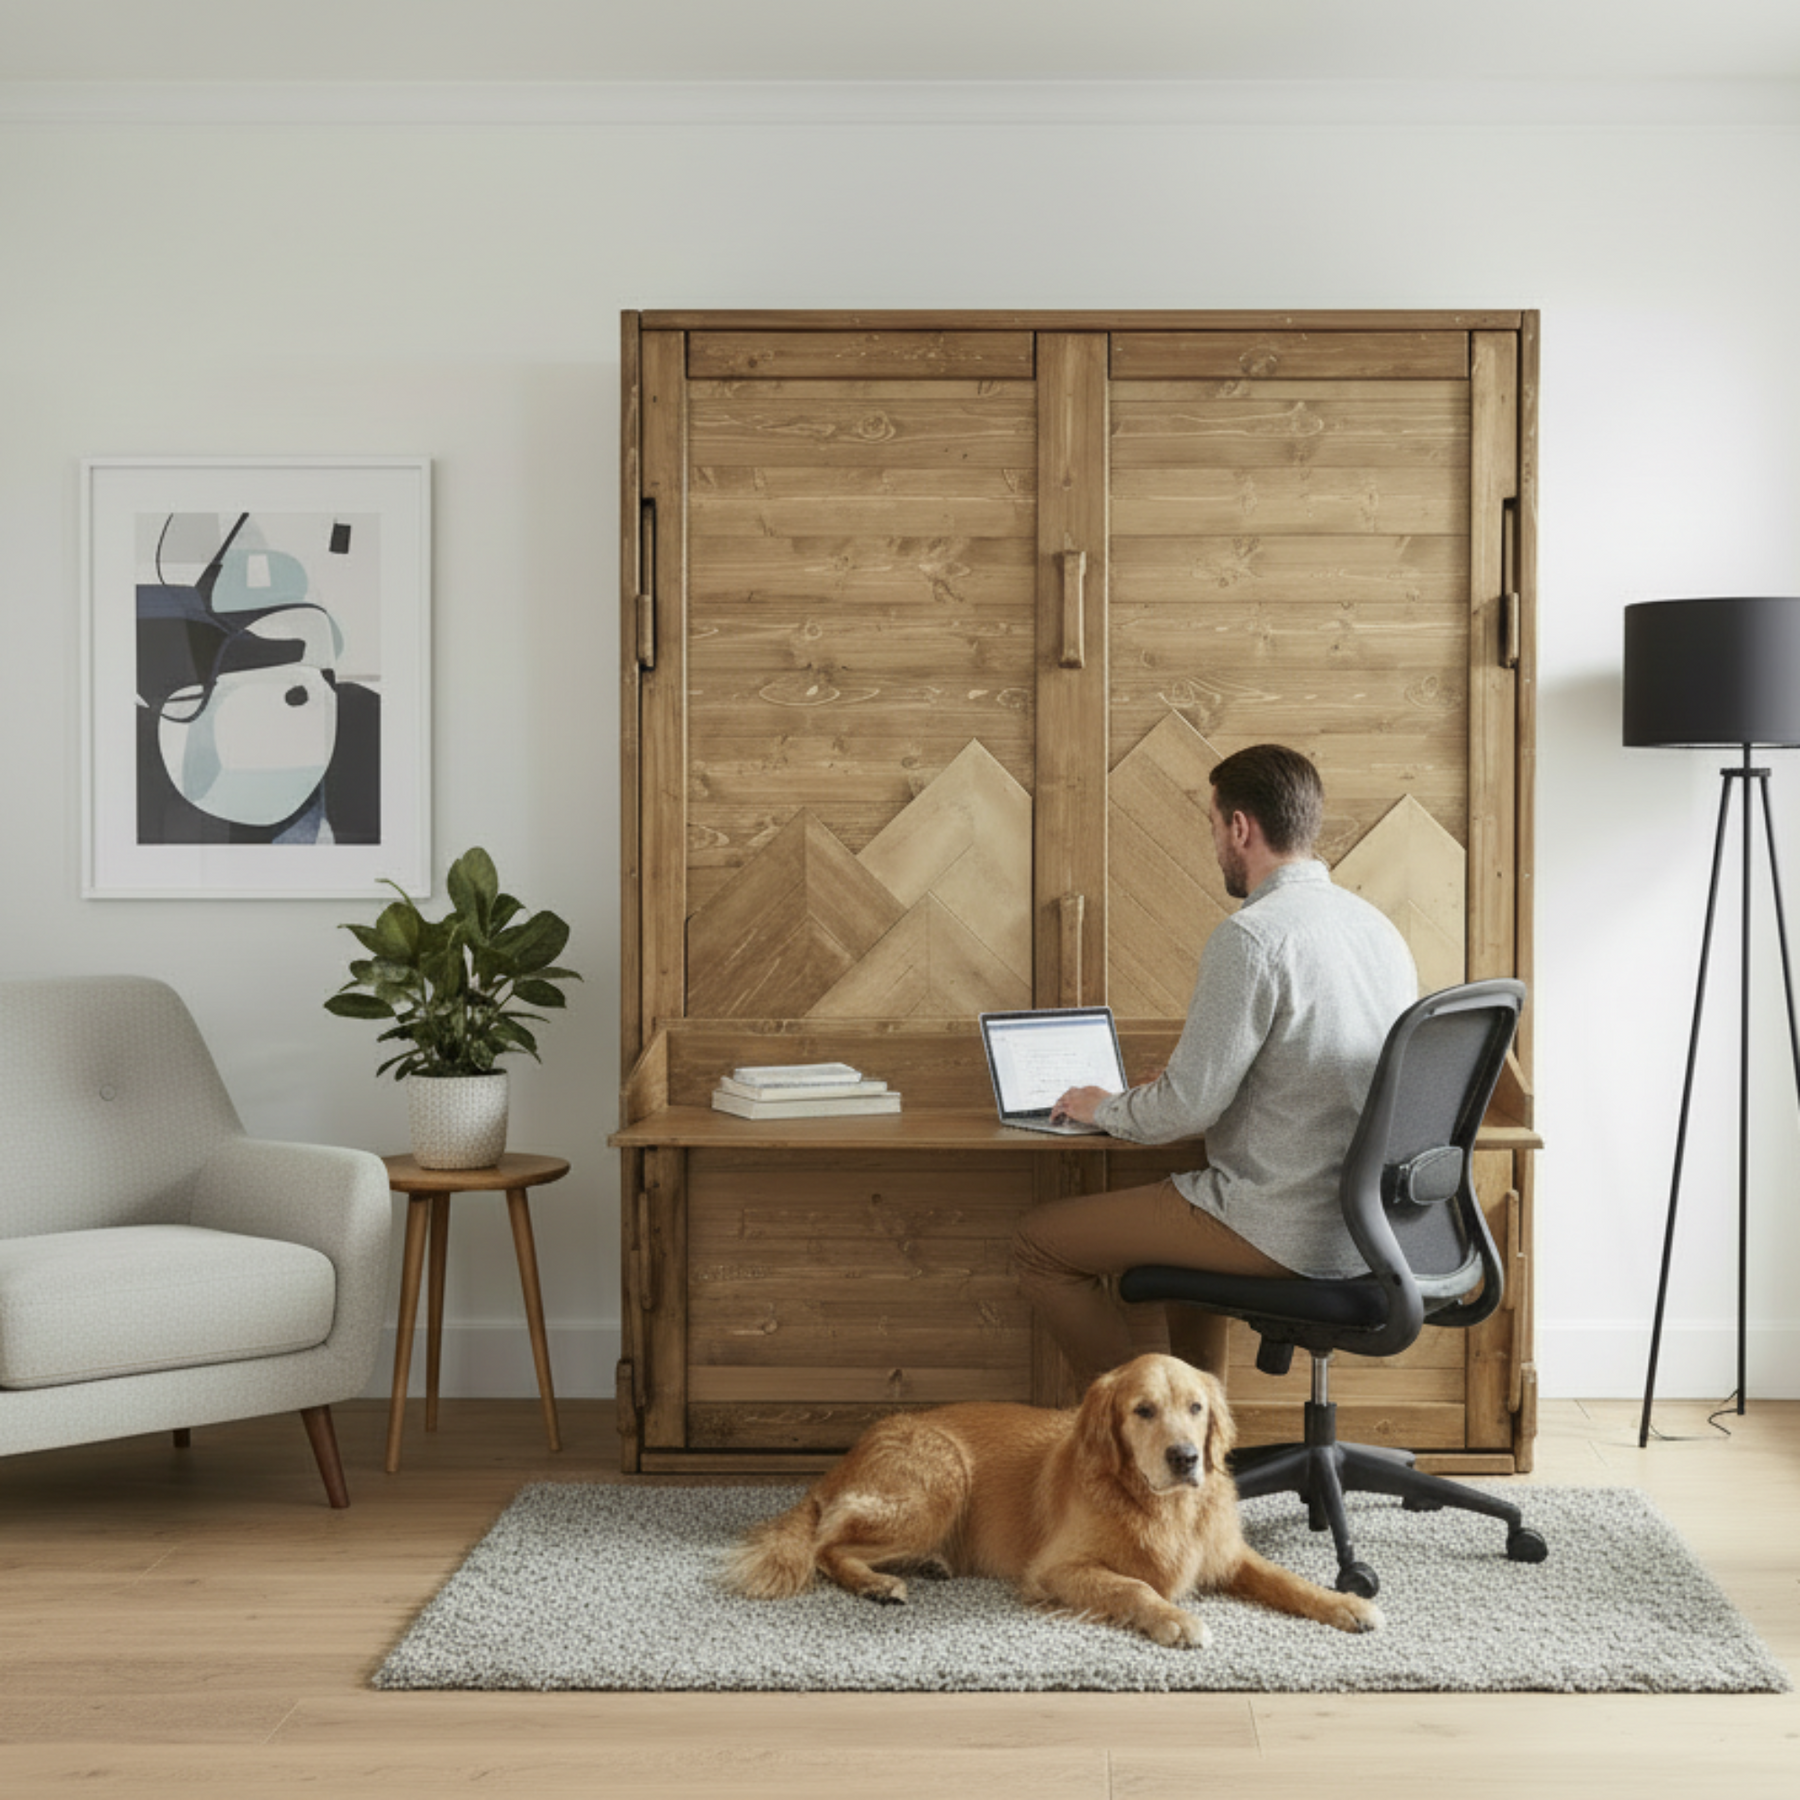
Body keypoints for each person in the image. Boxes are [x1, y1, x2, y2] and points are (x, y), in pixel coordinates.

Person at [1011, 744, 1418, 1386]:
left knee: (1040, 1243)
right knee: (1185, 1235)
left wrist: (1103, 1107)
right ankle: (1199, 1432)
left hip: (1279, 1221)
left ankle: (1149, 1426)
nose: (1215, 845)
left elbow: (1188, 1110)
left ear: (1239, 827)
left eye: (1212, 825)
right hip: (1372, 1227)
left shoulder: (1252, 938)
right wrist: (1177, 1089)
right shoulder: (1376, 929)